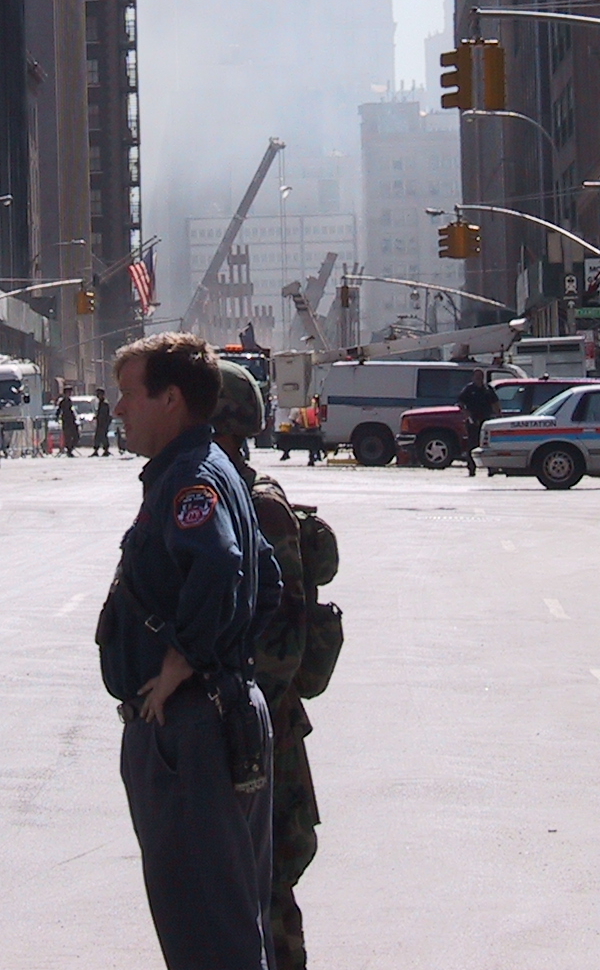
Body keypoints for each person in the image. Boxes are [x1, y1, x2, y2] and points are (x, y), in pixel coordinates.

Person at [98, 334, 280, 970]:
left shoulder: (190, 478)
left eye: (129, 394)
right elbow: (269, 580)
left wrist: (186, 658)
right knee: (225, 918)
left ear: (170, 398)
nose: (117, 409)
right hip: (217, 713)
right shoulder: (208, 468)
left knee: (206, 930)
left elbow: (223, 563)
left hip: (192, 731)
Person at [212, 361, 328, 970]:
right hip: (249, 731)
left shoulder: (260, 509)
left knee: (267, 893)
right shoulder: (220, 495)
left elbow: (282, 641)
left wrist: (233, 718)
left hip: (263, 737)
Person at [457, 370, 498, 479]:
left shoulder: (488, 389)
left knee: (488, 445)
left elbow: (495, 403)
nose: (479, 378)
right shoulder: (469, 389)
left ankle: (491, 468)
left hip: (486, 421)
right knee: (472, 444)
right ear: (473, 377)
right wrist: (467, 414)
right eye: (477, 376)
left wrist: (498, 415)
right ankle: (471, 468)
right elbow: (460, 403)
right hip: (473, 421)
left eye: (481, 376)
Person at [56, 383, 80, 455]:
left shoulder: (69, 401)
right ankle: (69, 450)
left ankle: (70, 449)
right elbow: (59, 410)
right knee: (68, 437)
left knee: (76, 436)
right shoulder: (62, 402)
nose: (69, 393)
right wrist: (57, 418)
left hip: (72, 421)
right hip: (66, 421)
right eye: (68, 392)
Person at [92, 389, 113, 456]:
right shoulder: (100, 403)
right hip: (100, 422)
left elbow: (105, 414)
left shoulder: (104, 403)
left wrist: (105, 422)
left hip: (103, 423)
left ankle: (106, 450)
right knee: (98, 436)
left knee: (103, 436)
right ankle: (96, 450)